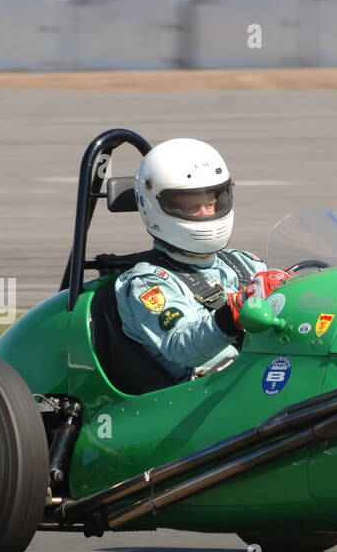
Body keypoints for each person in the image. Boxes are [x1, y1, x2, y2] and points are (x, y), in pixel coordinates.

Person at [115, 137, 291, 380]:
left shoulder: (244, 263)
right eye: (192, 208)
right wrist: (233, 313)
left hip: (259, 377)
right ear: (155, 207)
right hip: (198, 399)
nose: (206, 213)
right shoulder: (148, 282)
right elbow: (180, 346)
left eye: (211, 203)